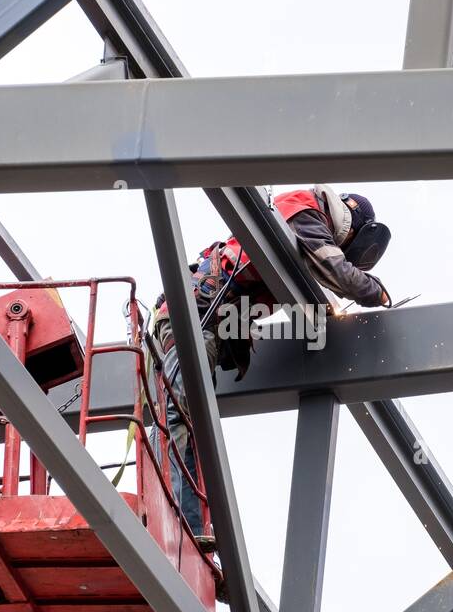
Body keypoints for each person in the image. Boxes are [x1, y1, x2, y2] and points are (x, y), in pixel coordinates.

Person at [150, 186, 392, 545]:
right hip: (189, 317)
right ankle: (167, 518)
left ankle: (190, 529)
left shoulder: (300, 236)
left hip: (209, 324)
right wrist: (377, 292)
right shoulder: (304, 211)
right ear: (350, 226)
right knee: (177, 413)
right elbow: (334, 269)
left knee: (192, 424)